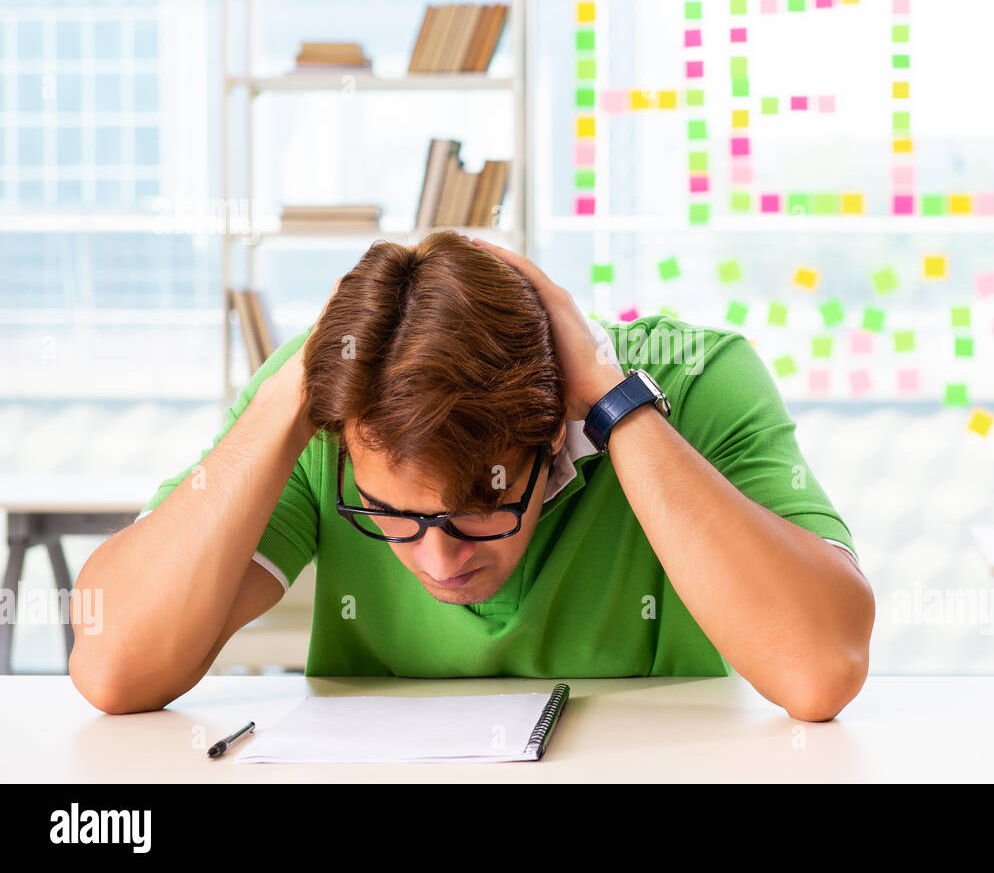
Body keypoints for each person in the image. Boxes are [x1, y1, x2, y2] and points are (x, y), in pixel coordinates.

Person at [70, 230, 875, 720]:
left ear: (554, 434)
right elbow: (110, 664)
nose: (437, 560)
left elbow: (820, 669)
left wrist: (617, 405)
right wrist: (292, 387)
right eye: (392, 514)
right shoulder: (323, 408)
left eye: (479, 509)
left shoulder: (692, 383)